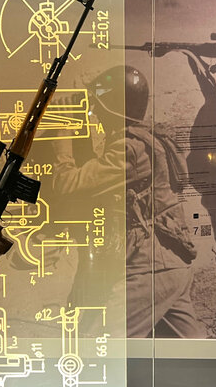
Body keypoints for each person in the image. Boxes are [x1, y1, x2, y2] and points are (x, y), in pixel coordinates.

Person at [52, 65, 205, 338]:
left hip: (149, 269)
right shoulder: (150, 140)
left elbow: (69, 184)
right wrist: (80, 123)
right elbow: (96, 177)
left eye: (99, 107)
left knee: (97, 344)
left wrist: (62, 136)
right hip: (171, 265)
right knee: (189, 351)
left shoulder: (129, 150)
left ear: (113, 108)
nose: (95, 114)